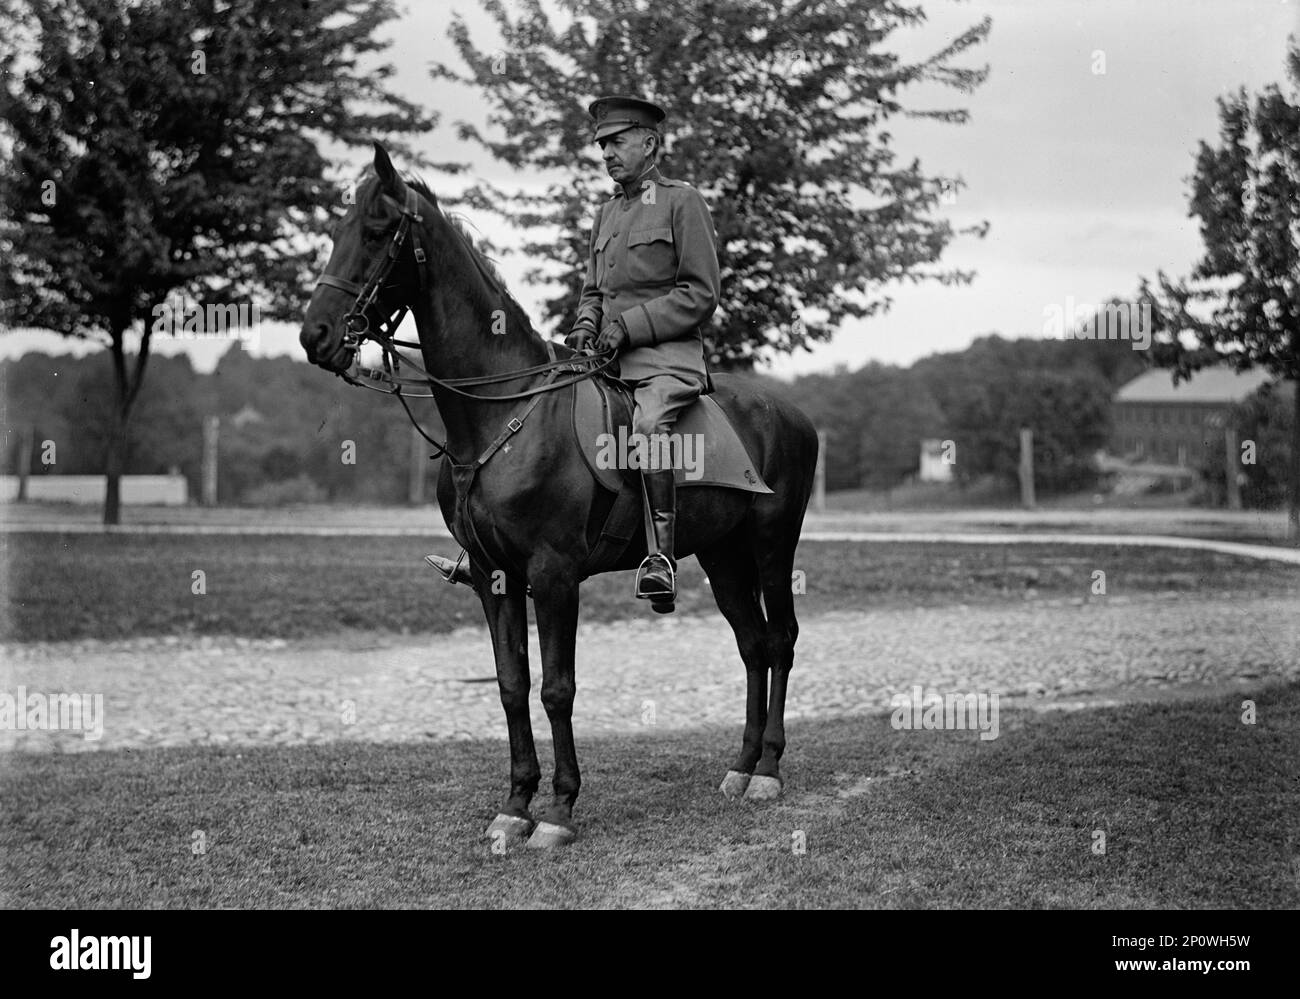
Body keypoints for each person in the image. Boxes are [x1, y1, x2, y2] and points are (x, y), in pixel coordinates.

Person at [427, 94, 721, 609]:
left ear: (649, 143)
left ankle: (661, 558)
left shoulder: (682, 202)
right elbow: (594, 292)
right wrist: (586, 327)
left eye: (616, 141)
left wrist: (630, 326)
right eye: (601, 144)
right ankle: (494, 550)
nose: (606, 153)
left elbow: (701, 292)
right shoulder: (606, 213)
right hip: (604, 360)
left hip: (664, 364)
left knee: (649, 428)